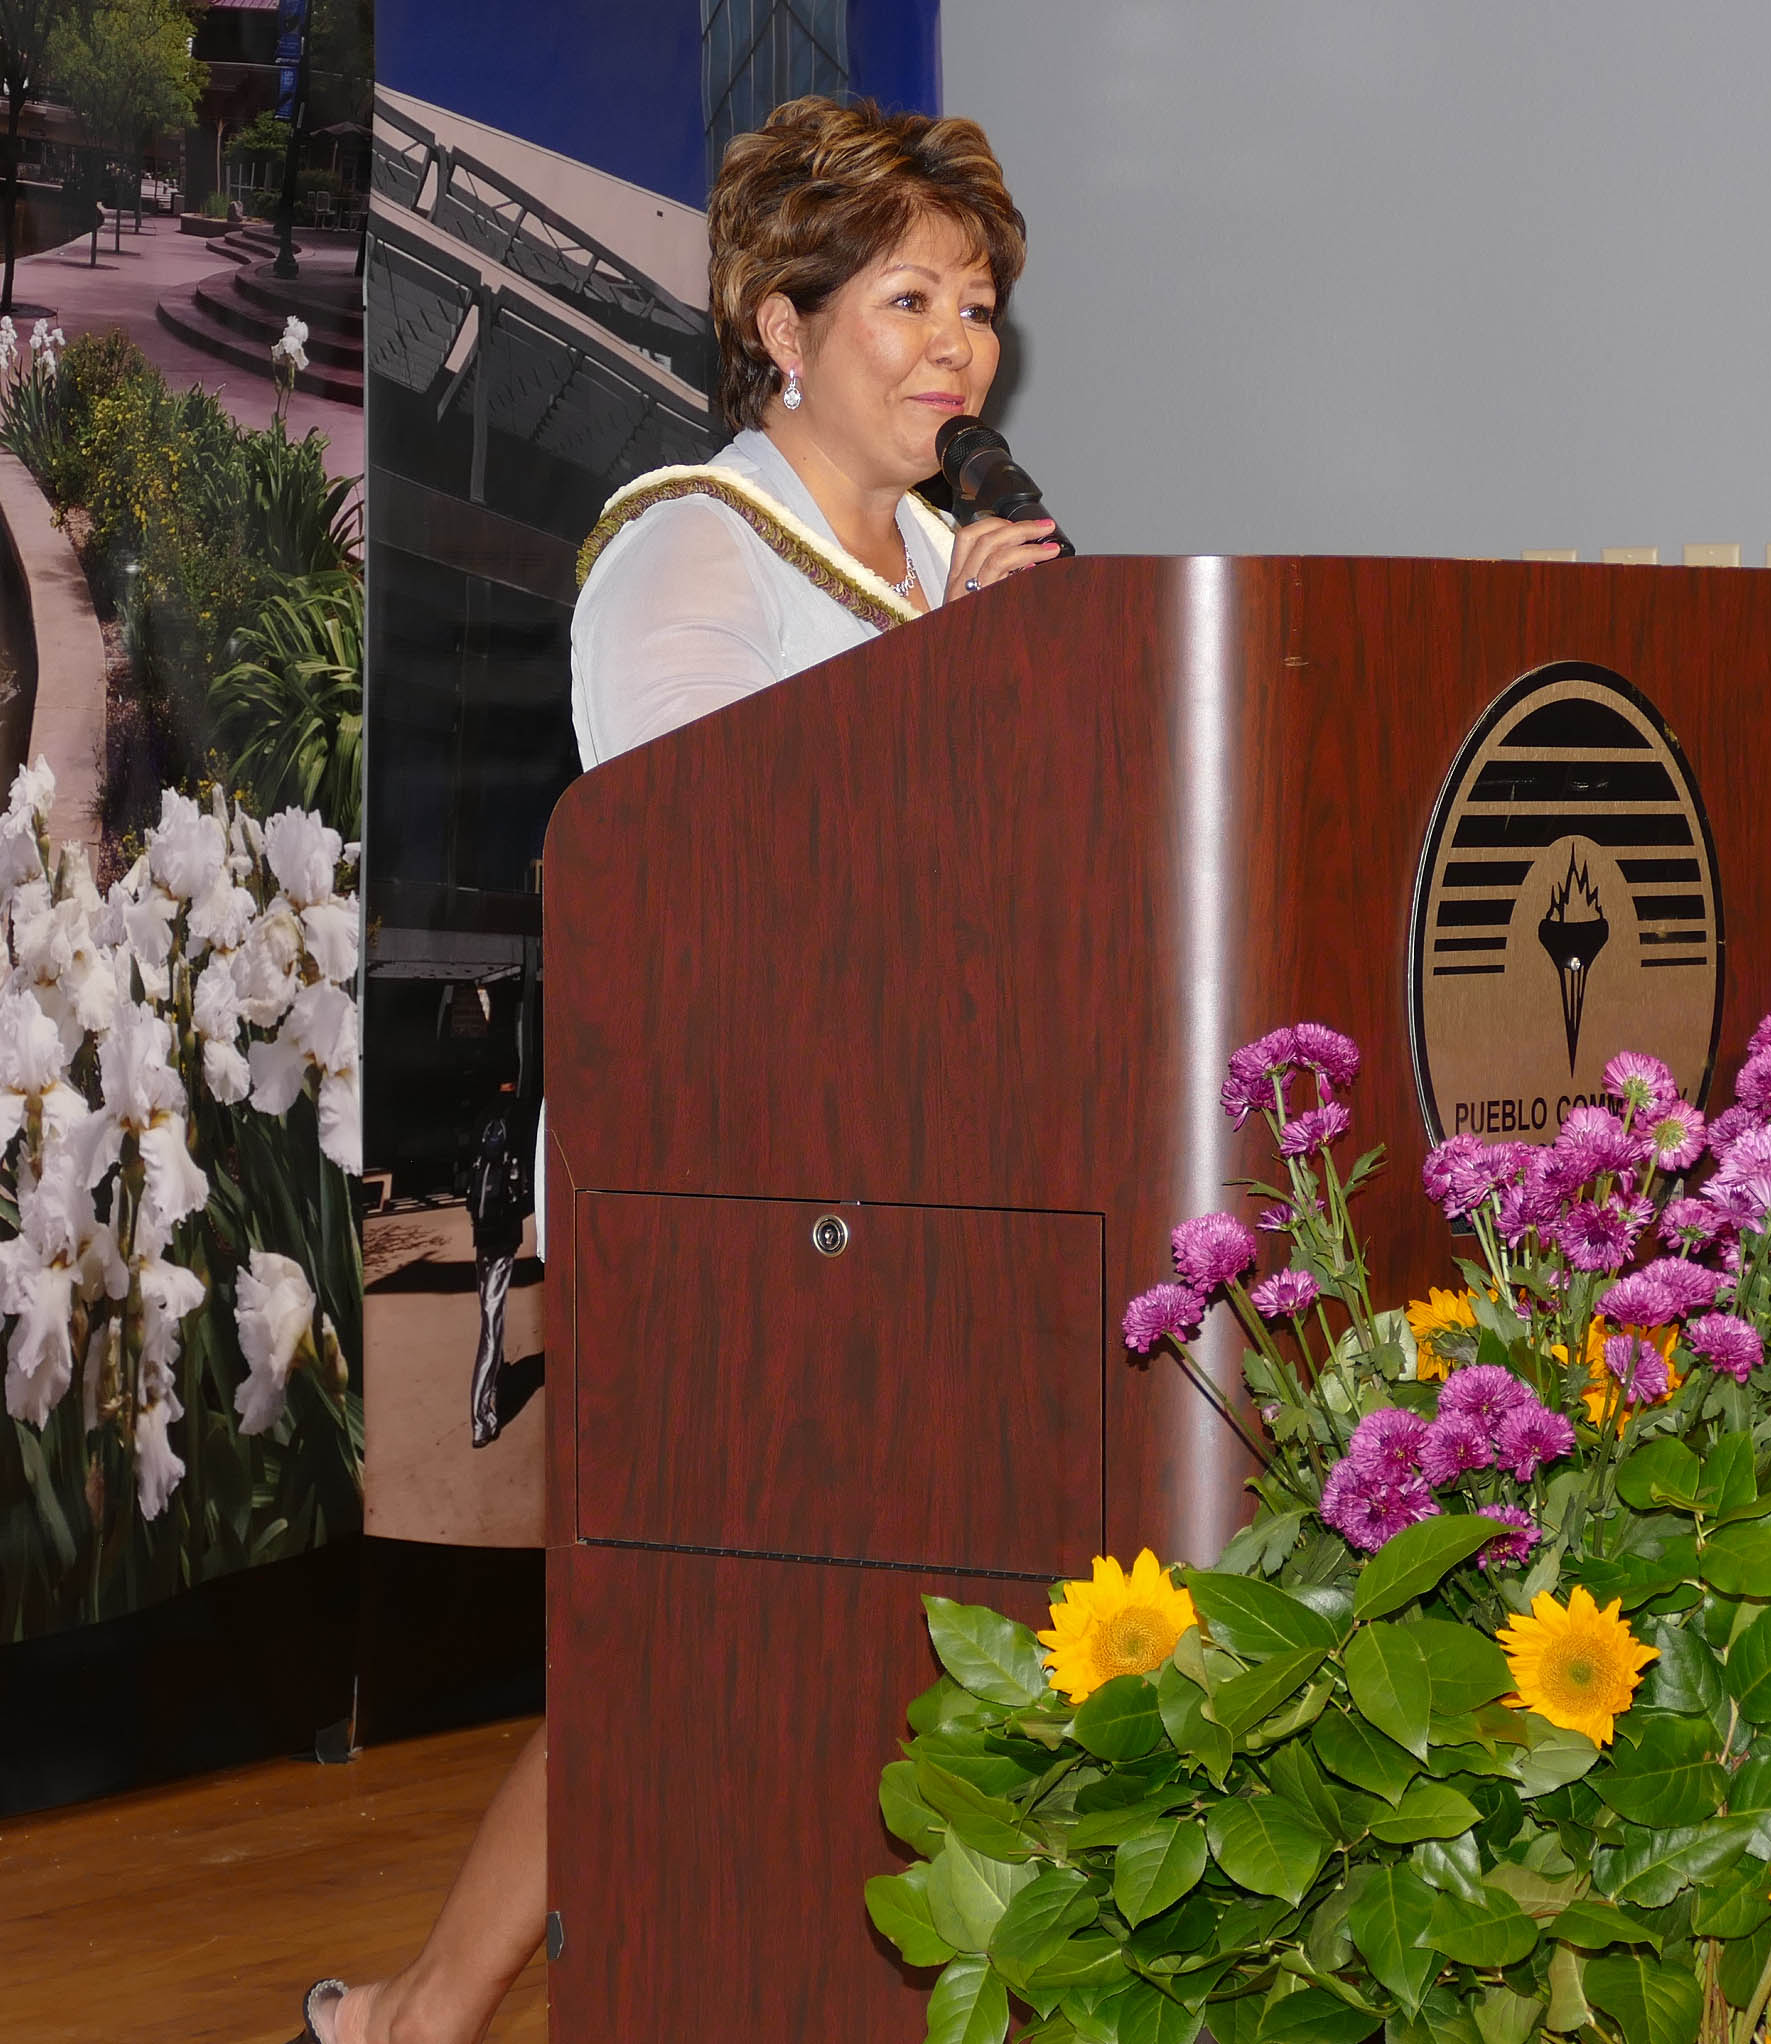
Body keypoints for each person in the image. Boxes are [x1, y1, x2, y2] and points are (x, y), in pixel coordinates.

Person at [294, 96, 1053, 2044]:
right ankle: (438, 2004)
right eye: (909, 295)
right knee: (675, 1641)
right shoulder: (685, 549)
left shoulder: (964, 562)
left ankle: (434, 2009)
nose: (957, 342)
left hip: (945, 1158)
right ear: (780, 322)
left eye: (976, 300)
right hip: (727, 1183)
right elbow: (699, 873)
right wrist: (960, 685)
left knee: (797, 1637)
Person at [460, 1090, 528, 1448]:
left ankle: (495, 1377)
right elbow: (521, 1191)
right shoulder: (515, 1122)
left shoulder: (482, 1121)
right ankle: (481, 1419)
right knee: (491, 1328)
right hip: (502, 1241)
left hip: (481, 1238)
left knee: (487, 1311)